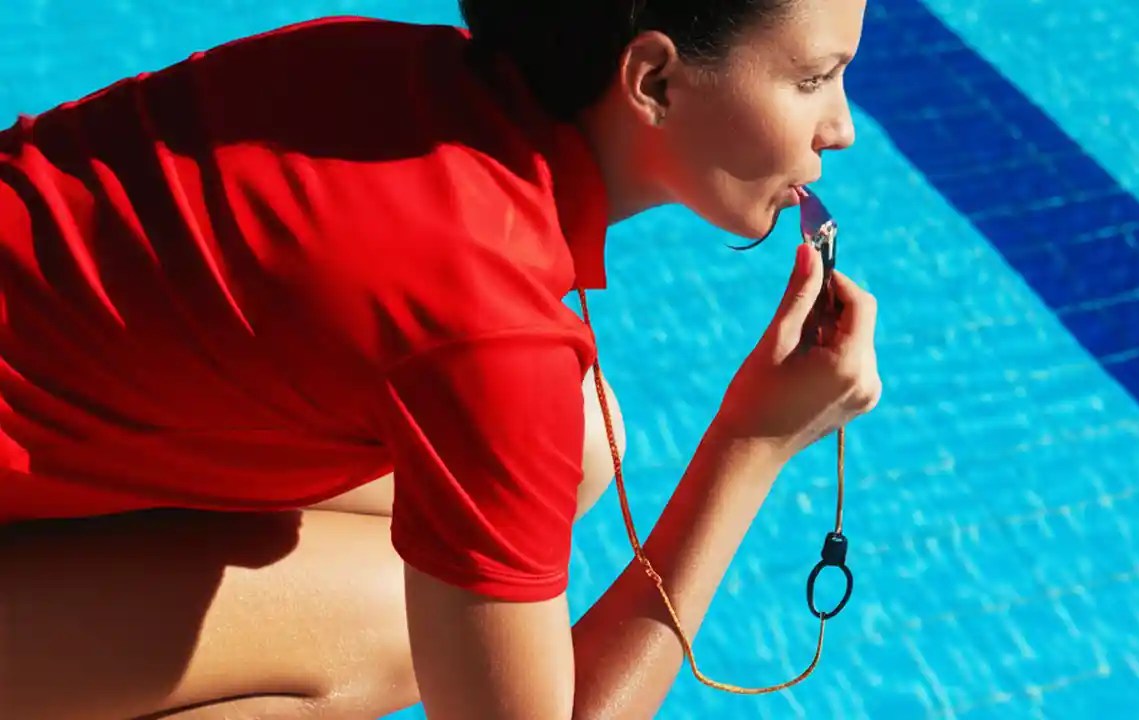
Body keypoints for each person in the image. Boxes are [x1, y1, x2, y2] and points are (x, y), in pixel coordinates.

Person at [0, 0, 876, 717]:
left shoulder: (383, 72)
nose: (841, 129)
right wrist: (750, 445)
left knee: (576, 440)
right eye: (813, 79)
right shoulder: (485, 328)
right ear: (651, 80)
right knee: (389, 631)